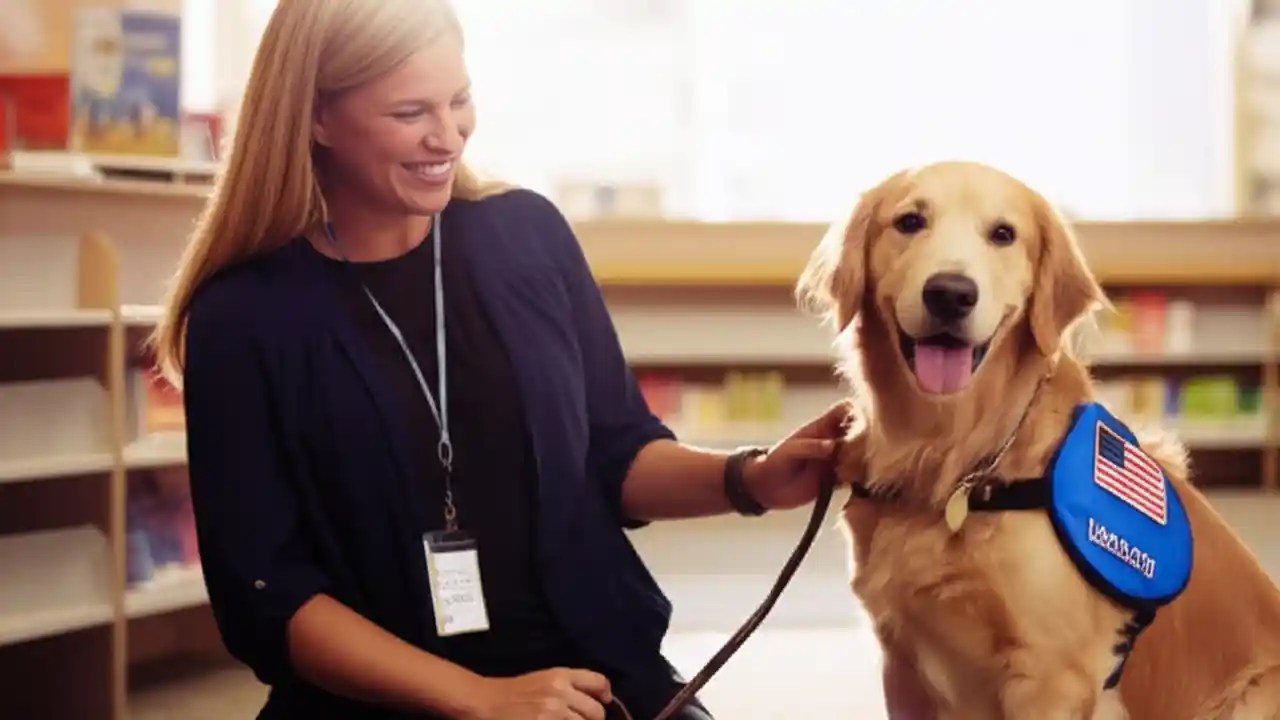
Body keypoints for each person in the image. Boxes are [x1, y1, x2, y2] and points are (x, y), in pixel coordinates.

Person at [151, 1, 847, 718]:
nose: (447, 135)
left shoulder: (525, 238)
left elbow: (616, 454)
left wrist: (753, 478)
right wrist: (481, 700)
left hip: (593, 680)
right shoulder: (242, 317)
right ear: (316, 118)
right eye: (409, 112)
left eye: (459, 100)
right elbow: (268, 595)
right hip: (382, 703)